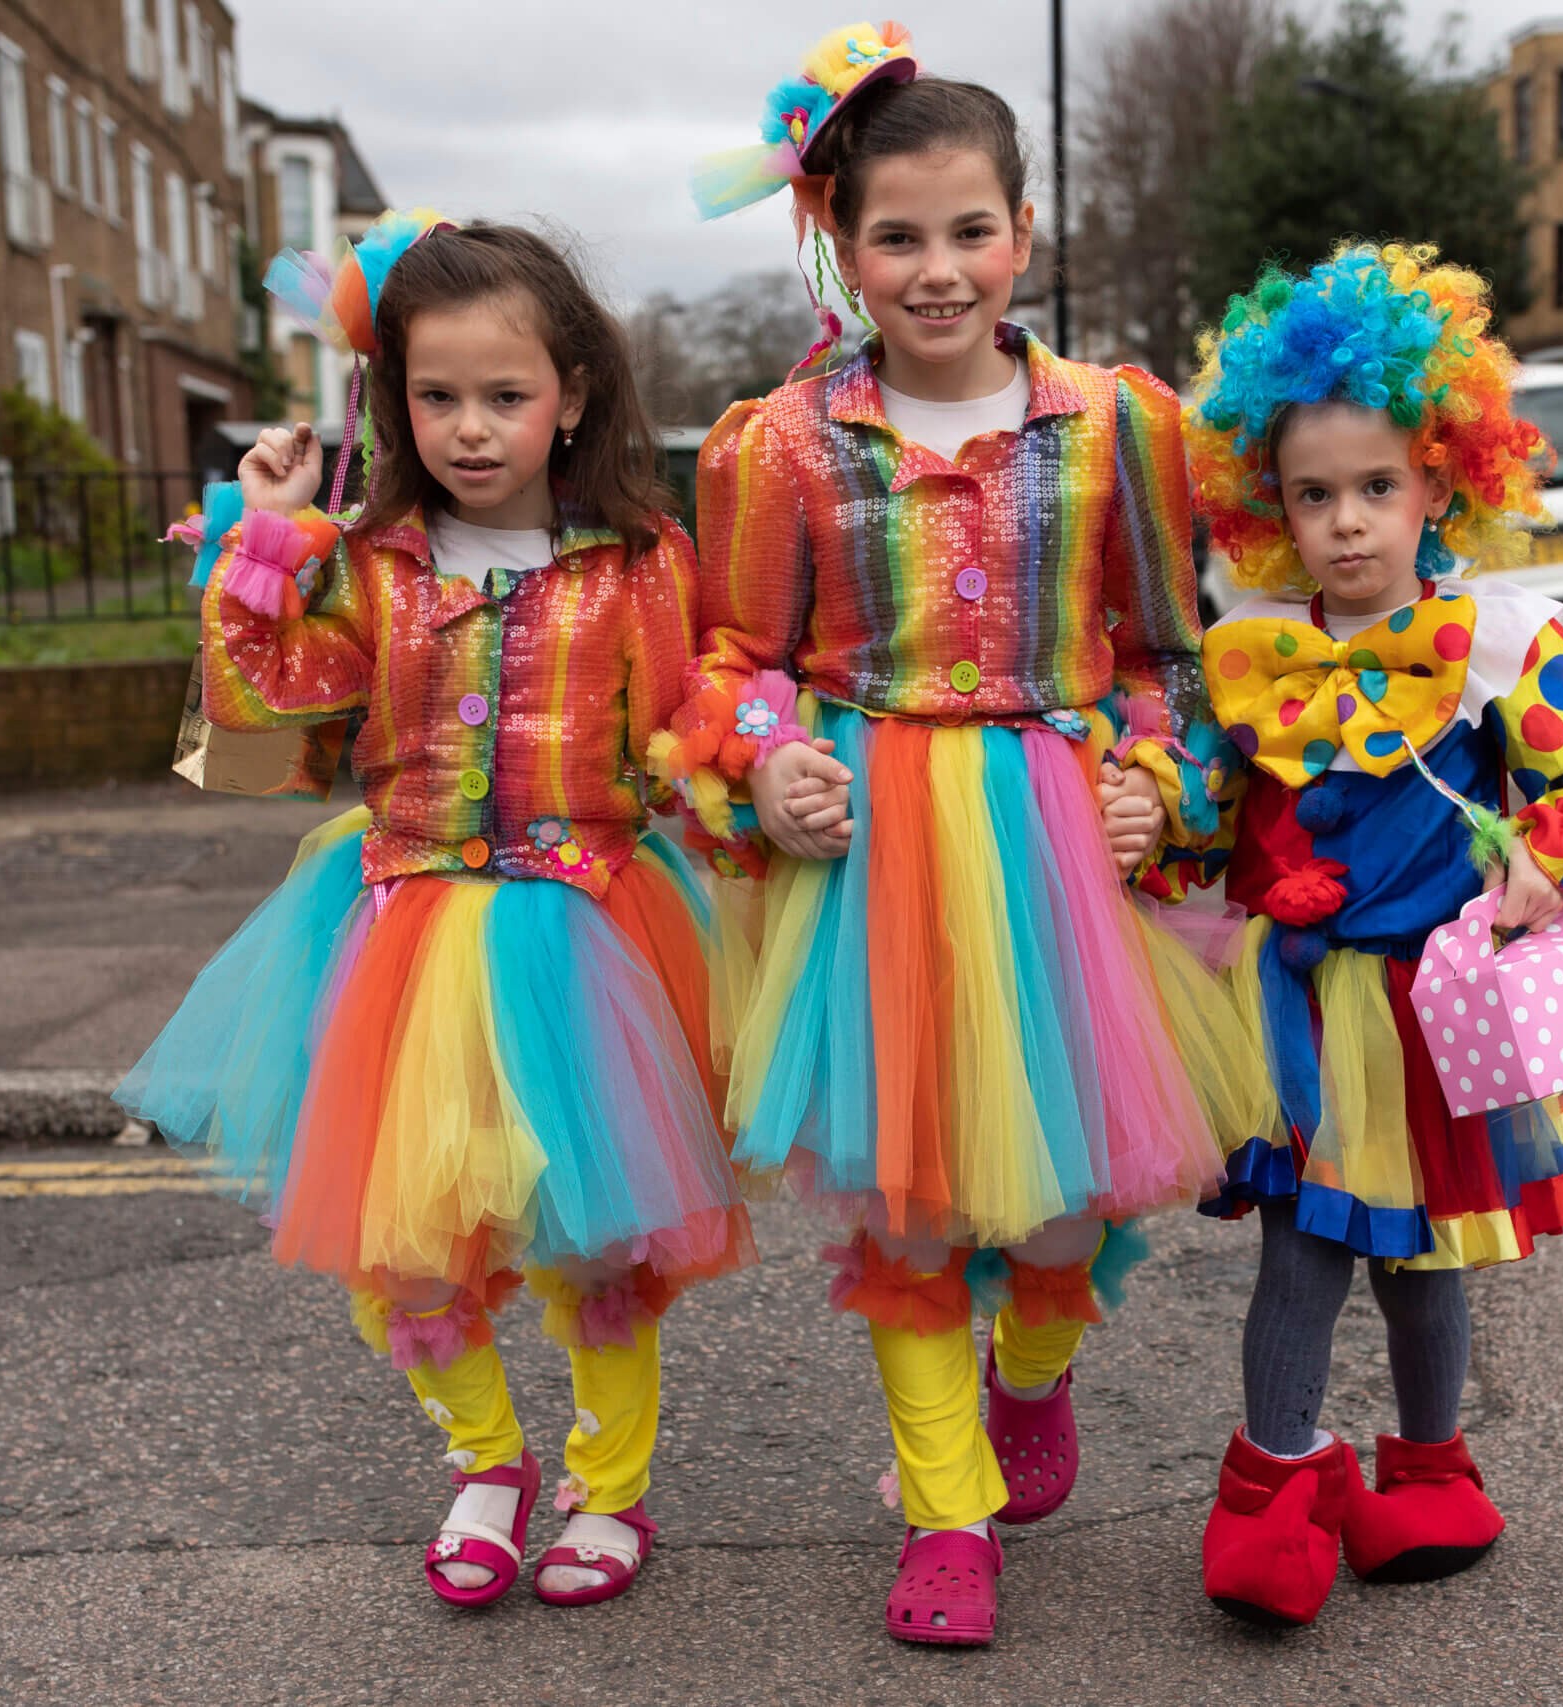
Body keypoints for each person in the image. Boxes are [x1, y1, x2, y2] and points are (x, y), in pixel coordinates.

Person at [672, 21, 1266, 1646]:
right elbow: (736, 664)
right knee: (913, 1205)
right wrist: (774, 761)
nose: (937, 272)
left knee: (1074, 1198)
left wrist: (1167, 781)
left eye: (969, 231)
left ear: (1026, 232)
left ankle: (1036, 1378)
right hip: (878, 859)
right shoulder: (779, 443)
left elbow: (1169, 657)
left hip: (1071, 848)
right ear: (839, 246)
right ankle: (946, 1514)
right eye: (895, 237)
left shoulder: (1123, 426)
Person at [117, 211, 752, 1611]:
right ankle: (486, 1459)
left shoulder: (640, 559)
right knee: (409, 1242)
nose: (472, 426)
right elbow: (256, 717)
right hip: (404, 928)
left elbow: (682, 737)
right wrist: (269, 541)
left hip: (592, 932)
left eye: (507, 395)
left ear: (572, 396)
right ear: (393, 398)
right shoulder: (371, 559)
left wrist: (750, 783)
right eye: (439, 395)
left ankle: (613, 1483)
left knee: (594, 1239)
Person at [1172, 243, 1563, 1628]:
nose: (1345, 523)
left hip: (1440, 1014)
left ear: (1441, 484)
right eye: (1313, 494)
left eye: (1377, 488)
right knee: (1304, 1255)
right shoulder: (1252, 649)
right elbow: (1212, 804)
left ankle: (1430, 1478)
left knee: (1426, 1256)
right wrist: (1164, 816)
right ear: (1271, 505)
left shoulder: (1502, 640)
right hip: (1303, 1012)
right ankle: (1279, 1487)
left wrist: (1546, 869)